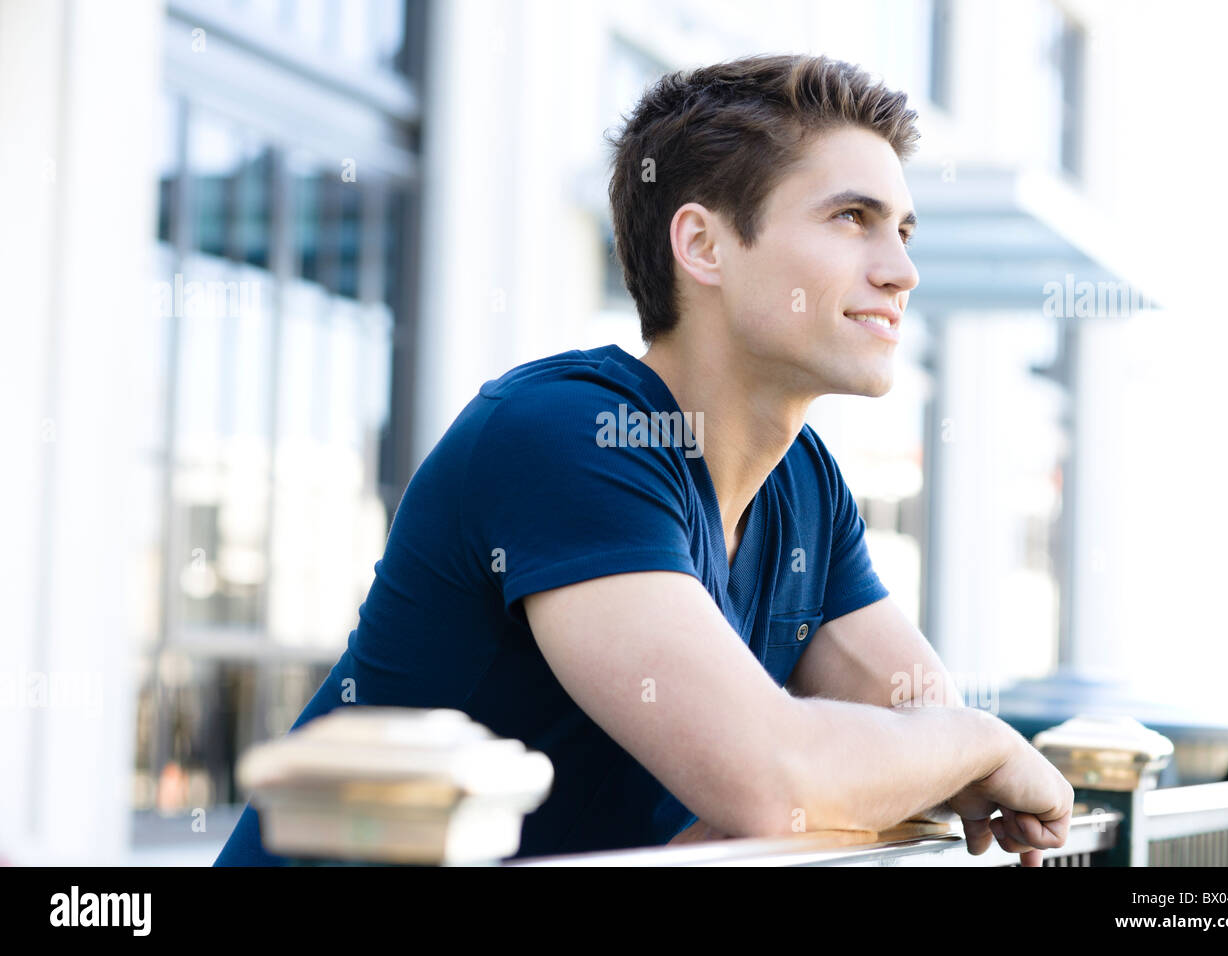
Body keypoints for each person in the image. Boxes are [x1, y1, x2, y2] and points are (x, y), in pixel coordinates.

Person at [214, 52, 1072, 867]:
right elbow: (787, 781)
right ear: (701, 246)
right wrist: (980, 743)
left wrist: (931, 753)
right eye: (853, 218)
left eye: (905, 231)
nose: (901, 271)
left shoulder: (805, 485)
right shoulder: (570, 434)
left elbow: (909, 725)